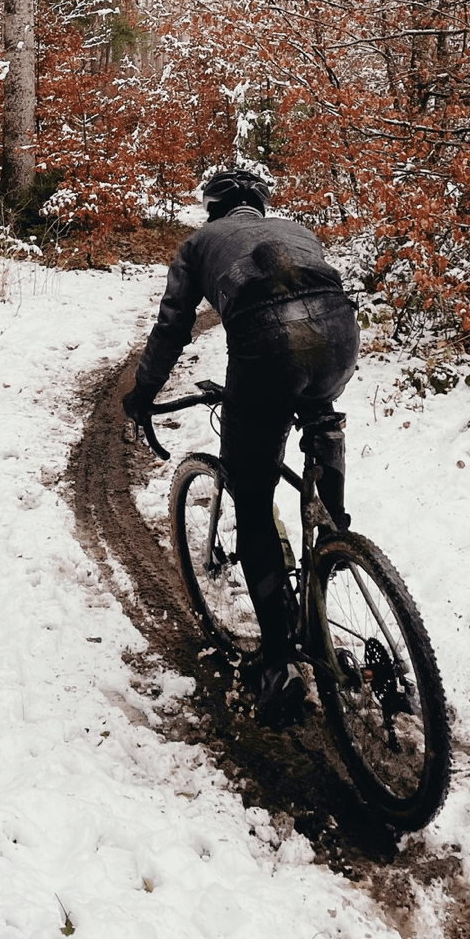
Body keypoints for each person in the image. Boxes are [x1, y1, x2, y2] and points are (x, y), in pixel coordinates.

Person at [123, 166, 359, 725]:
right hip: (340, 339)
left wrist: (143, 394)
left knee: (252, 500)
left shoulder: (199, 243)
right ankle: (332, 533)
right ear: (261, 205)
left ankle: (279, 663)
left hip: (266, 347)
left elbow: (172, 328)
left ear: (213, 208)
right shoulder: (297, 229)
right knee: (318, 409)